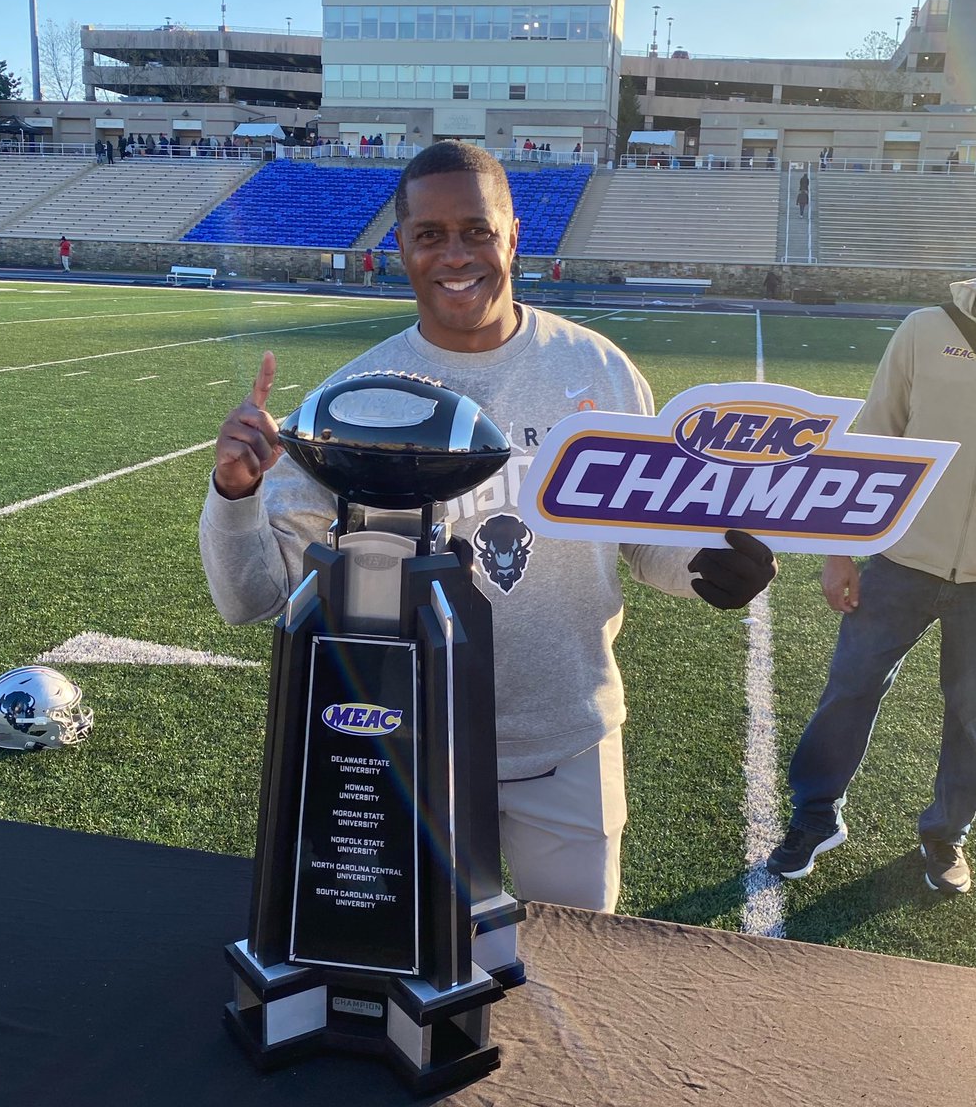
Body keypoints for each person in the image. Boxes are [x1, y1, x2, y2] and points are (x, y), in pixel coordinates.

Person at [200, 142, 777, 914]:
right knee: (419, 977)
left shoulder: (598, 371)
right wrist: (233, 493)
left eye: (476, 230)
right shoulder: (352, 399)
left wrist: (706, 564)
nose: (455, 254)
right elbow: (253, 598)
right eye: (429, 234)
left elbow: (643, 536)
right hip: (401, 744)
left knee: (575, 969)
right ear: (397, 249)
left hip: (566, 734)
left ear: (512, 237)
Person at [766, 279, 976, 896]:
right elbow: (873, 440)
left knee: (972, 716)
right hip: (900, 558)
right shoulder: (925, 329)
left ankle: (945, 835)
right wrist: (840, 550)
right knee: (851, 688)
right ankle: (815, 815)